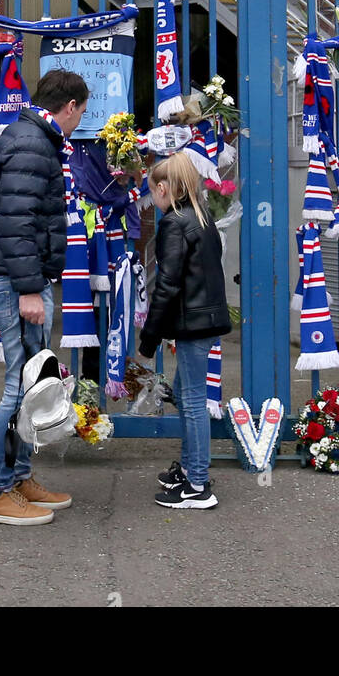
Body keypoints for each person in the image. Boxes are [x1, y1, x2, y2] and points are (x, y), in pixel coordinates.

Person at [0, 68, 88, 525]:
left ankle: (18, 478)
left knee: (31, 385)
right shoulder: (34, 144)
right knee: (19, 386)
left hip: (17, 278)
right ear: (71, 106)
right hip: (16, 282)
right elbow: (17, 223)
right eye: (82, 110)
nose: (80, 119)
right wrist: (27, 289)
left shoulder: (28, 137)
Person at [137, 152, 232, 510]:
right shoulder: (202, 217)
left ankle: (197, 484)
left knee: (191, 402)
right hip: (205, 320)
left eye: (153, 191)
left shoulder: (174, 223)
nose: (153, 199)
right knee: (184, 393)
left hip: (193, 324)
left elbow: (168, 284)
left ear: (163, 188)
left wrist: (149, 339)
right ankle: (191, 470)